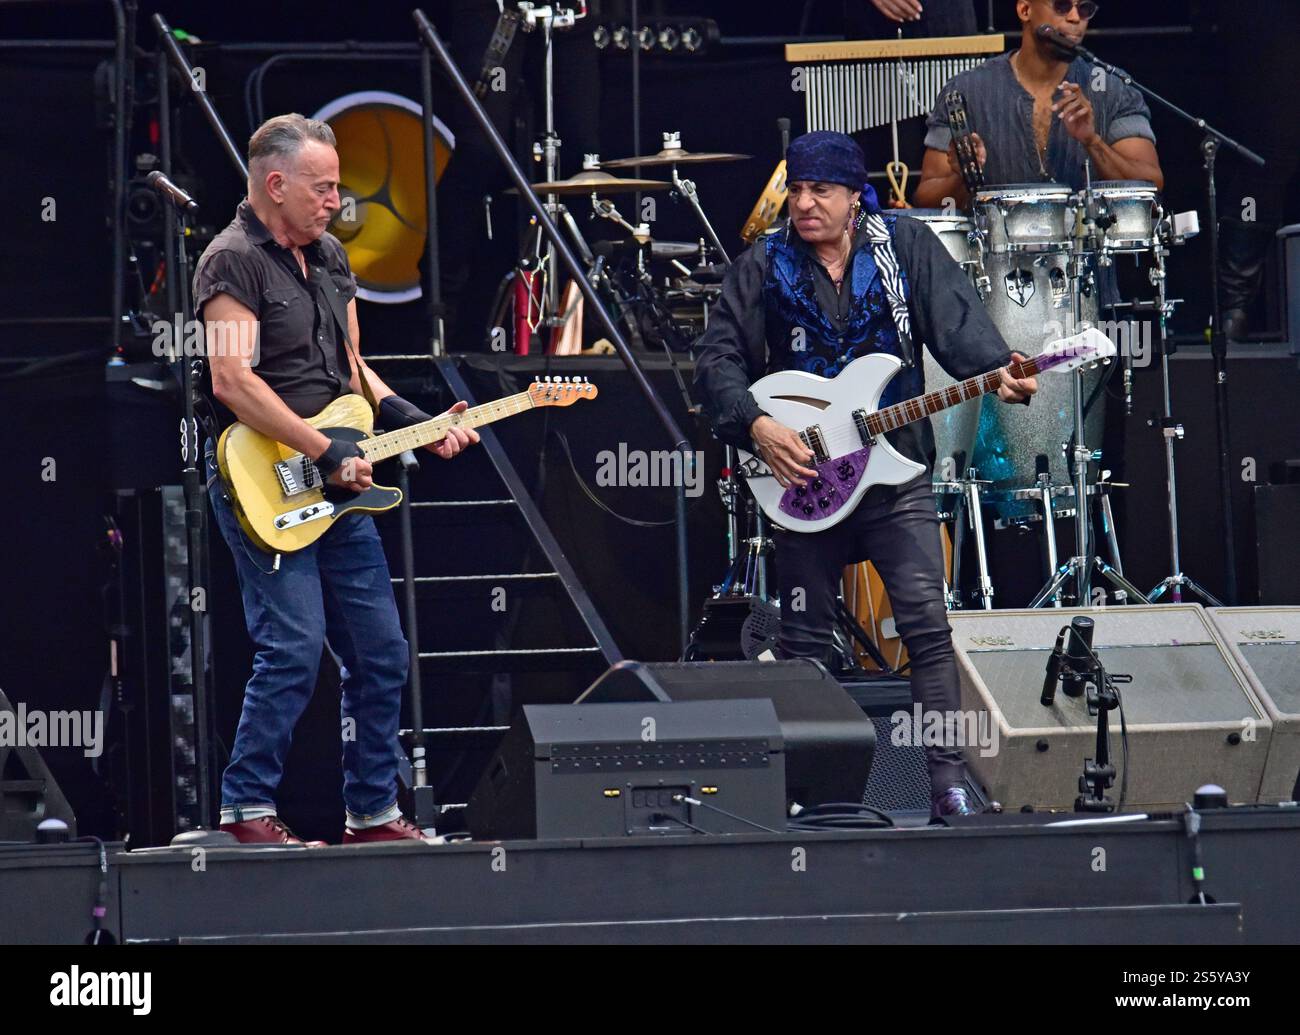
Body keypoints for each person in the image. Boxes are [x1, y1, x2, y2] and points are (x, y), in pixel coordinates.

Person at [693, 132, 1037, 818]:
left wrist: (997, 368)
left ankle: (946, 782)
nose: (805, 203)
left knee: (928, 627)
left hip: (892, 467)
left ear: (856, 197)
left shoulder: (903, 247)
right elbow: (715, 361)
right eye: (796, 189)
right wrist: (758, 426)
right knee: (804, 646)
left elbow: (959, 326)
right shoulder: (763, 263)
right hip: (803, 481)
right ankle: (816, 791)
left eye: (821, 190)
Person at [192, 114, 480, 846]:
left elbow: (354, 368)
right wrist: (323, 449)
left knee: (382, 652)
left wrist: (415, 417)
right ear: (276, 183)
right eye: (322, 188)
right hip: (267, 479)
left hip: (338, 484)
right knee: (292, 646)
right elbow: (232, 382)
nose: (336, 201)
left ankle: (371, 811)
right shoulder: (228, 262)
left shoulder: (328, 256)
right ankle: (245, 808)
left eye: (338, 187)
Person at [914, 0, 1163, 209]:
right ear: (1025, 10)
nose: (1075, 17)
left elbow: (1151, 185)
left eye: (1085, 8)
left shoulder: (1113, 87)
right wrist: (965, 176)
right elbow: (927, 201)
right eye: (1062, 6)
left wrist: (1092, 141)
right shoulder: (965, 91)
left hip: (1088, 263)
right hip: (996, 265)